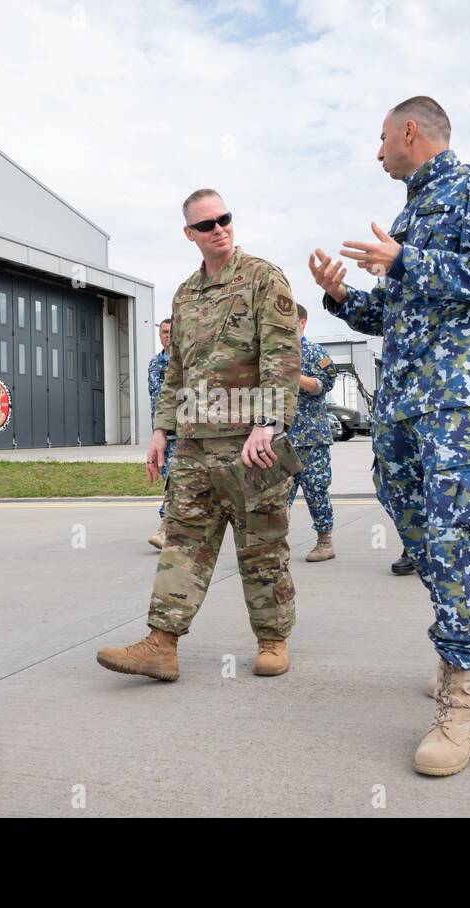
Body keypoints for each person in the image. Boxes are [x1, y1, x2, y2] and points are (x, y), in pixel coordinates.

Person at [310, 95, 470, 776]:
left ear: (411, 132)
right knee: (416, 530)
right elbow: (396, 315)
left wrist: (406, 260)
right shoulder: (407, 215)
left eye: (382, 139)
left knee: (452, 530)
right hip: (400, 407)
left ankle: (458, 703)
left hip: (455, 398)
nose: (378, 153)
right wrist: (345, 297)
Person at [96, 189, 301, 680]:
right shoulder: (185, 295)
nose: (220, 229)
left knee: (262, 549)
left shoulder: (262, 278)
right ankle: (161, 645)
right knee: (182, 543)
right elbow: (176, 370)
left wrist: (268, 425)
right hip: (193, 446)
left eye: (225, 219)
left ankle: (272, 640)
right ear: (190, 234)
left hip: (251, 445)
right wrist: (161, 430)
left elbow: (282, 355)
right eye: (207, 225)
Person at [287, 304, 340, 561]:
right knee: (277, 494)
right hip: (280, 440)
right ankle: (273, 544)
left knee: (316, 490)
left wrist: (293, 376)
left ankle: (324, 542)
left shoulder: (314, 352)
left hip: (311, 439)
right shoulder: (274, 353)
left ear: (302, 323)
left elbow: (323, 385)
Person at [147, 318, 177, 548]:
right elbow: (154, 401)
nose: (166, 335)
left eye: (170, 331)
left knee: (175, 481)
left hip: (185, 432)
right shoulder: (154, 364)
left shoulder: (185, 363)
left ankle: (166, 527)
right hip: (163, 434)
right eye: (163, 332)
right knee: (170, 480)